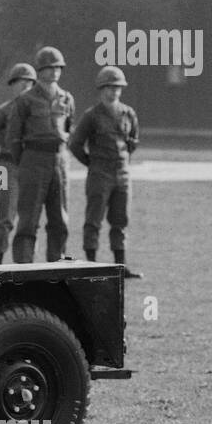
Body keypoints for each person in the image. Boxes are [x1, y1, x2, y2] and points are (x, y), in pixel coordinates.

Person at [68, 65, 141, 275]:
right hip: (99, 173)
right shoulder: (92, 115)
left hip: (122, 173)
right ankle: (92, 265)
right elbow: (75, 144)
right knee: (94, 220)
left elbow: (133, 141)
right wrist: (91, 162)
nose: (114, 91)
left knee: (120, 220)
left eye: (118, 87)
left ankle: (121, 266)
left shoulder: (128, 113)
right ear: (101, 89)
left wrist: (123, 161)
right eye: (110, 87)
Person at [6, 45, 76, 263]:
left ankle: (57, 266)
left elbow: (69, 129)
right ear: (40, 70)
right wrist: (25, 162)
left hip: (59, 161)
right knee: (28, 220)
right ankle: (23, 271)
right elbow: (13, 139)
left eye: (58, 67)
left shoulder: (66, 98)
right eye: (49, 67)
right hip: (32, 160)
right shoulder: (25, 100)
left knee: (60, 220)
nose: (54, 71)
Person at [0, 63, 36, 263]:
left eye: (29, 82)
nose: (25, 85)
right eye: (21, 81)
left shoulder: (36, 112)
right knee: (4, 217)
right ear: (13, 84)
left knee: (29, 219)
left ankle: (26, 264)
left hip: (30, 167)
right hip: (5, 168)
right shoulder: (3, 111)